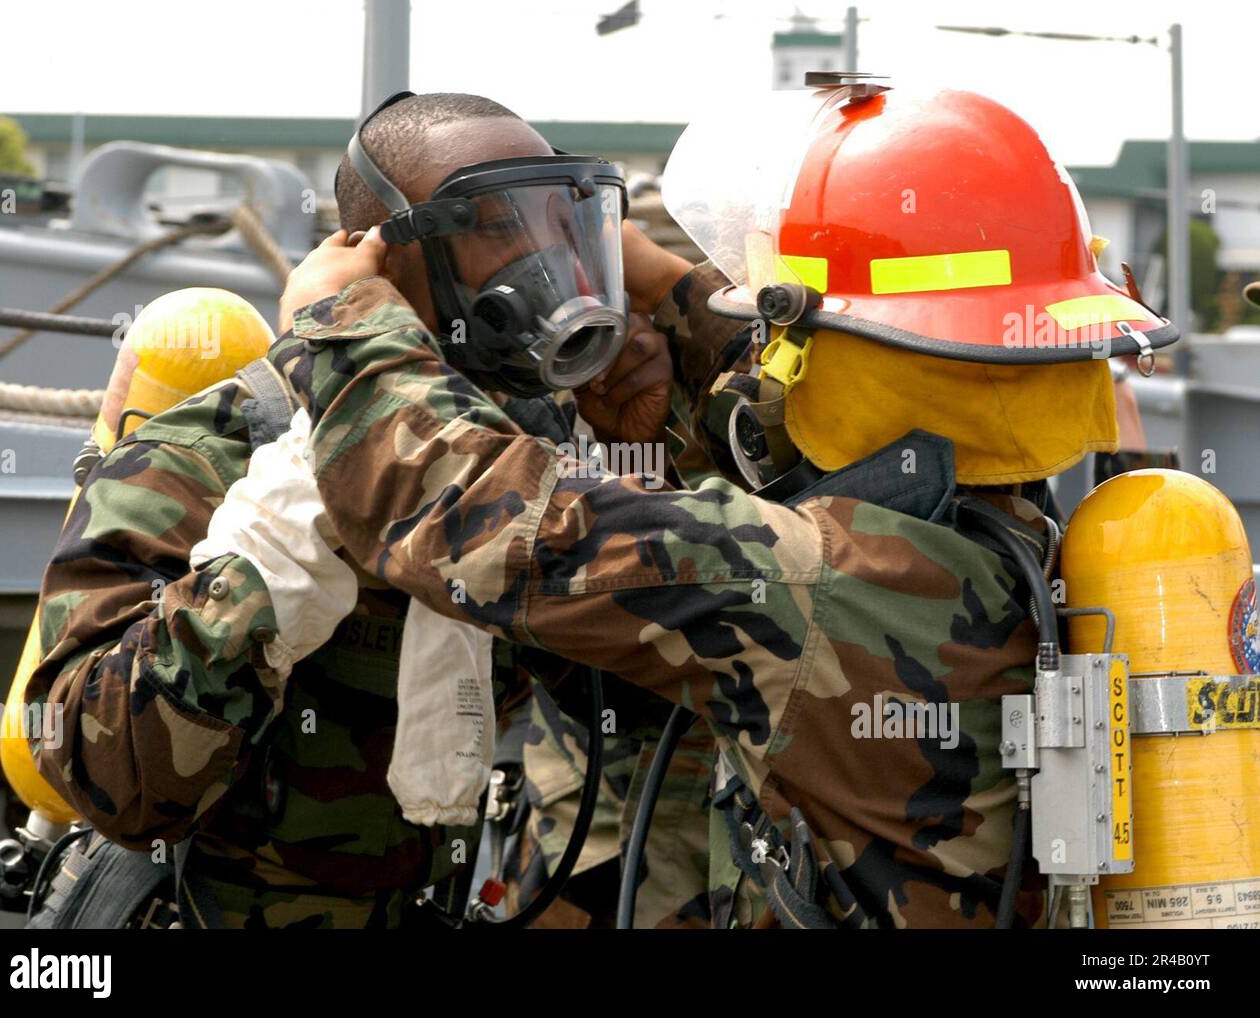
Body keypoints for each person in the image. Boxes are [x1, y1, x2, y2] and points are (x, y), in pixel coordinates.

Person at [251, 84, 1179, 928]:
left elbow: (469, 514)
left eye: (781, 329)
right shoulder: (1011, 524)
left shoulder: (810, 578)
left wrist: (342, 327)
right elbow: (815, 425)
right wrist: (665, 290)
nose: (767, 351)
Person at [23, 92, 726, 928]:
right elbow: (112, 777)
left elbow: (652, 698)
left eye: (562, 225)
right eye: (500, 227)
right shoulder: (218, 457)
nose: (548, 264)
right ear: (389, 260)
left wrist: (663, 444)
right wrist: (267, 565)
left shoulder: (514, 458)